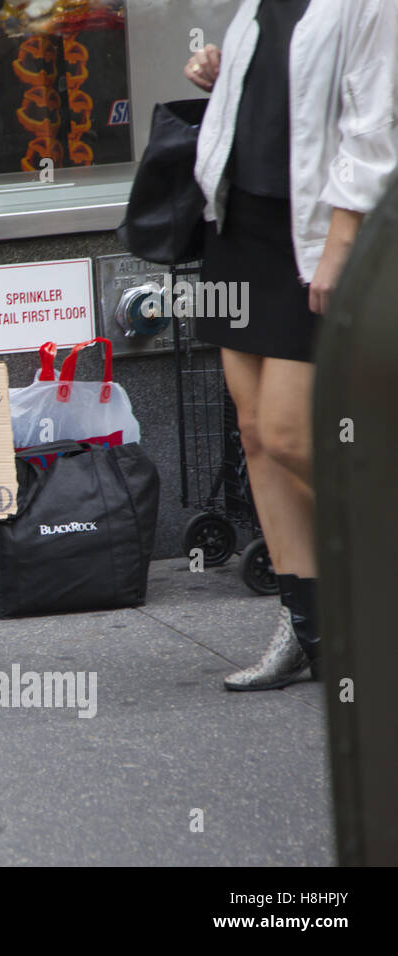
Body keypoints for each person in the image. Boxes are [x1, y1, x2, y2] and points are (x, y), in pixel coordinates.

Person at [185, 0, 397, 690]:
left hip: (315, 233)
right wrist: (224, 71)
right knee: (253, 432)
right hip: (240, 219)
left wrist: (341, 244)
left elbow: (375, 124)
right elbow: (290, 82)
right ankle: (308, 628)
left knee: (289, 431)